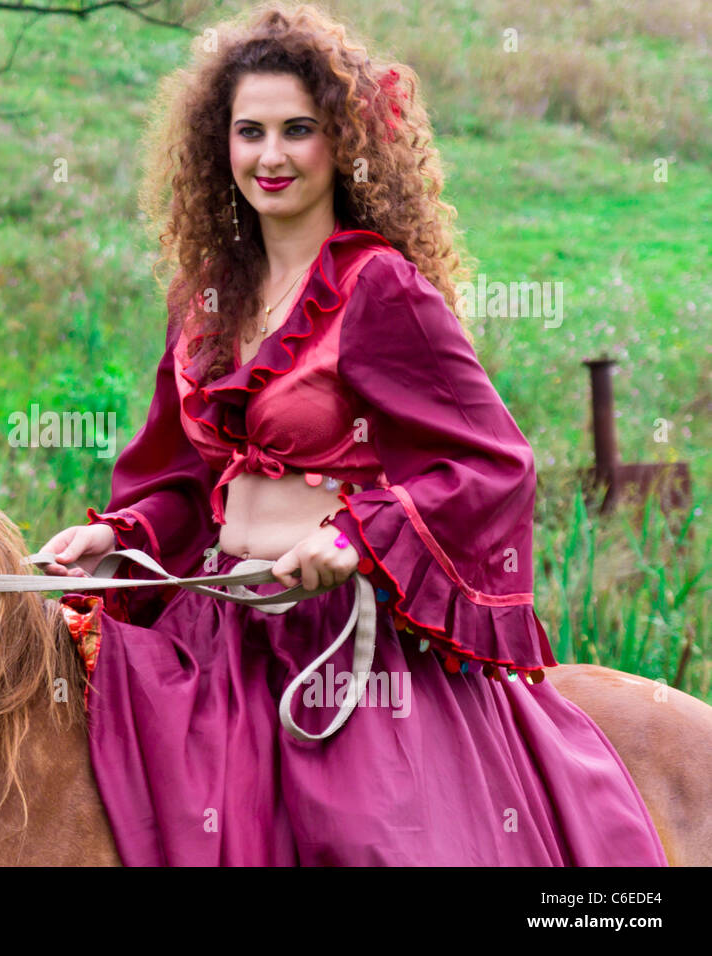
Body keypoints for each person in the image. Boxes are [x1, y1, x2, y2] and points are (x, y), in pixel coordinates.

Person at [39, 1, 668, 866]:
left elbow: (493, 464)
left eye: (297, 129)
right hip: (216, 625)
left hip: (347, 644)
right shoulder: (205, 301)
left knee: (369, 845)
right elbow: (182, 478)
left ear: (340, 140)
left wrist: (357, 538)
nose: (270, 156)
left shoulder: (380, 288)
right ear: (217, 147)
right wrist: (115, 534)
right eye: (248, 131)